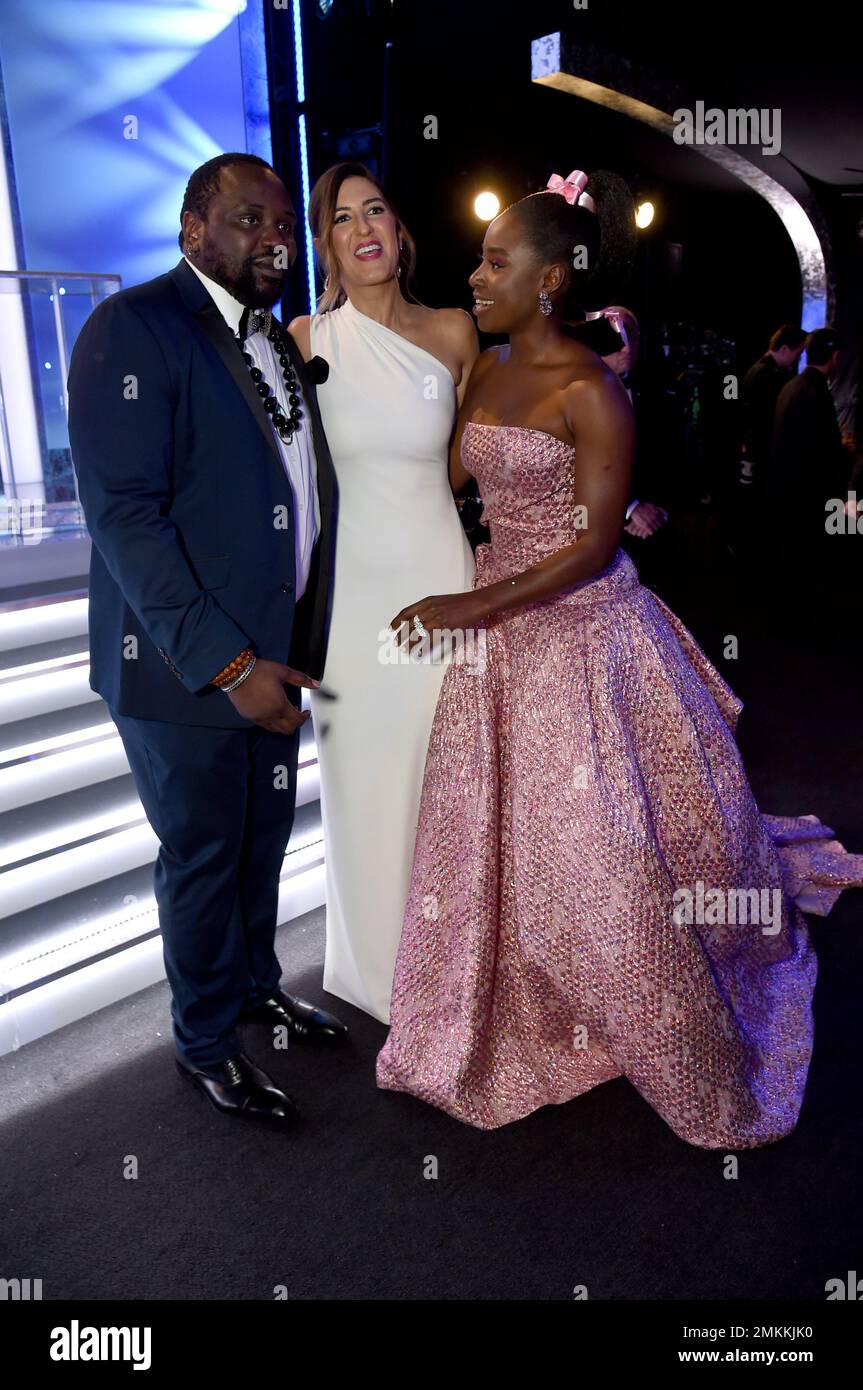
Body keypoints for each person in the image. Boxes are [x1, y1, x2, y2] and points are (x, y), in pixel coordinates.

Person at [375, 168, 863, 1148]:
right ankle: (518, 996)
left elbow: (593, 545)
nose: (474, 276)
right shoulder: (482, 371)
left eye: (494, 263)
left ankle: (655, 1019)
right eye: (477, 261)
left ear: (549, 280)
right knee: (501, 834)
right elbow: (450, 481)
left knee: (599, 846)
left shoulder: (594, 392)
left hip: (584, 634)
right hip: (497, 640)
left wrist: (471, 600)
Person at [68, 153, 349, 1130]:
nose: (273, 236)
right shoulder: (130, 327)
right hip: (185, 667)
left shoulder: (271, 338)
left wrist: (289, 647)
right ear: (193, 228)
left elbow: (298, 498)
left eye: (281, 221)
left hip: (270, 658)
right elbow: (126, 520)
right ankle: (202, 1043)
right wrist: (229, 667)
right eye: (246, 218)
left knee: (259, 843)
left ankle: (253, 988)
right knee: (201, 854)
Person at [288, 163, 478, 1024]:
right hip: (352, 595)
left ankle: (460, 961)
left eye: (375, 211)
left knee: (451, 775)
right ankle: (382, 977)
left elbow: (470, 466)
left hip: (442, 577)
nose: (361, 228)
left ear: (401, 232)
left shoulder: (452, 331)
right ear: (325, 243)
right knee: (364, 781)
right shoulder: (304, 340)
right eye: (339, 218)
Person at [737, 324, 805, 555]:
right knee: (757, 508)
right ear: (785, 348)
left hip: (754, 452)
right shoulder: (767, 375)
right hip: (760, 454)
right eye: (797, 354)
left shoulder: (759, 370)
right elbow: (764, 422)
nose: (797, 360)